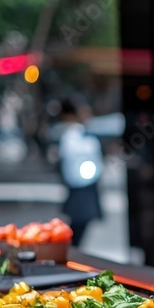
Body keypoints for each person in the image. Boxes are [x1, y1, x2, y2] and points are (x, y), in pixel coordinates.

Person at [56, 99, 103, 246]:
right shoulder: (73, 135)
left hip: (85, 183)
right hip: (80, 184)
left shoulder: (83, 134)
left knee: (81, 224)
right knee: (78, 224)